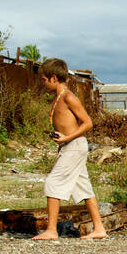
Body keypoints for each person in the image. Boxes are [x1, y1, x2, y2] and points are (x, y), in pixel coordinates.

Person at [33, 59, 107, 241]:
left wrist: (67, 137)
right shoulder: (57, 98)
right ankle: (99, 228)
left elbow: (88, 123)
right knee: (83, 188)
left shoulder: (68, 97)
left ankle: (51, 230)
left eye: (44, 79)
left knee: (52, 182)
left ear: (53, 78)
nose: (42, 83)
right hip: (69, 146)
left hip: (74, 146)